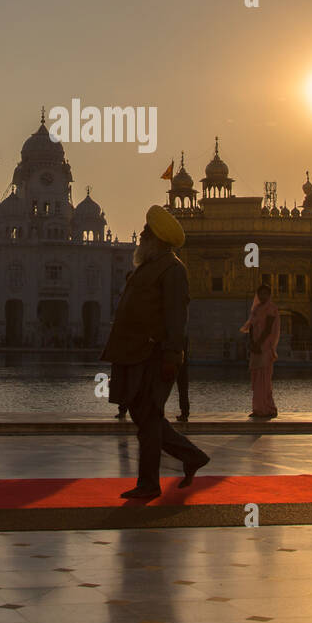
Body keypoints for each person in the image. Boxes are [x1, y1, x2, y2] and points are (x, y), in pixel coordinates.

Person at [101, 204, 210, 499]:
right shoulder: (150, 266)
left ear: (156, 239)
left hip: (154, 354)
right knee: (143, 414)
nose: (140, 238)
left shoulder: (172, 270)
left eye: (145, 234)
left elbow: (177, 316)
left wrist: (172, 355)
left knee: (148, 417)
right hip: (135, 352)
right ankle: (191, 456)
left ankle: (149, 482)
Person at [239, 282, 280, 419]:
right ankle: (258, 408)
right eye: (260, 293)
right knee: (256, 378)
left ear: (269, 295)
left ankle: (267, 408)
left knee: (264, 379)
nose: (262, 296)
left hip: (265, 347)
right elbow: (251, 326)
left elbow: (268, 329)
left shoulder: (271, 308)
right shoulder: (256, 308)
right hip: (256, 346)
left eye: (265, 294)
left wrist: (259, 344)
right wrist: (252, 342)